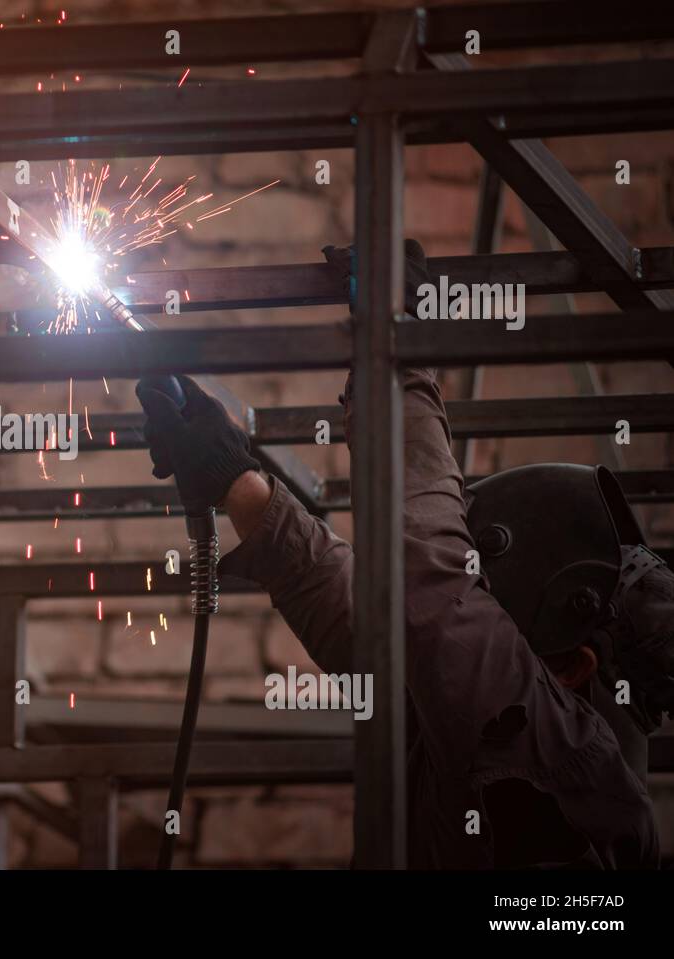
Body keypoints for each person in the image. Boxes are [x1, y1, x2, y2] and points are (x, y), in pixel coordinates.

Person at [136, 240, 672, 868]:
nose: (471, 615)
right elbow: (372, 623)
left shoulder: (569, 769)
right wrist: (232, 477)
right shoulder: (496, 740)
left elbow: (428, 592)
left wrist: (397, 351)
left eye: (486, 603)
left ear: (572, 668)